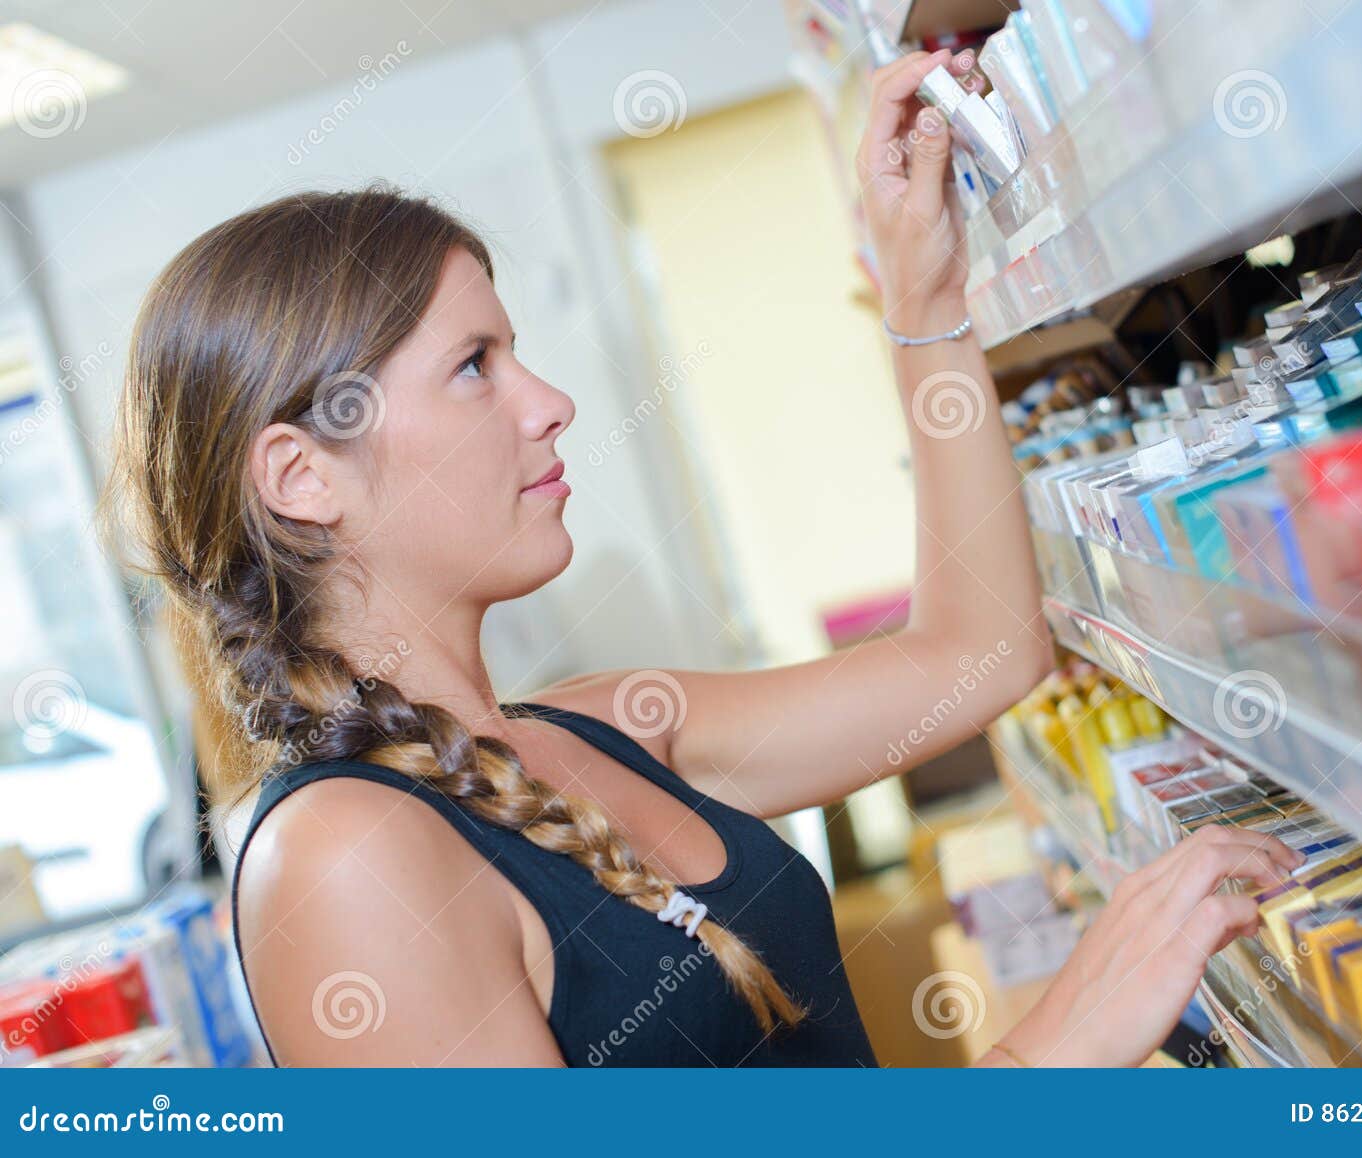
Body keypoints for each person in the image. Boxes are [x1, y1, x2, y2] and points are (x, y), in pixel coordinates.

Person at [106, 49, 1300, 1067]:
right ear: (302, 477)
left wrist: (923, 293)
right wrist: (1045, 1059)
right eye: (475, 365)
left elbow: (980, 651)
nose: (552, 402)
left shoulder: (601, 728)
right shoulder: (345, 865)